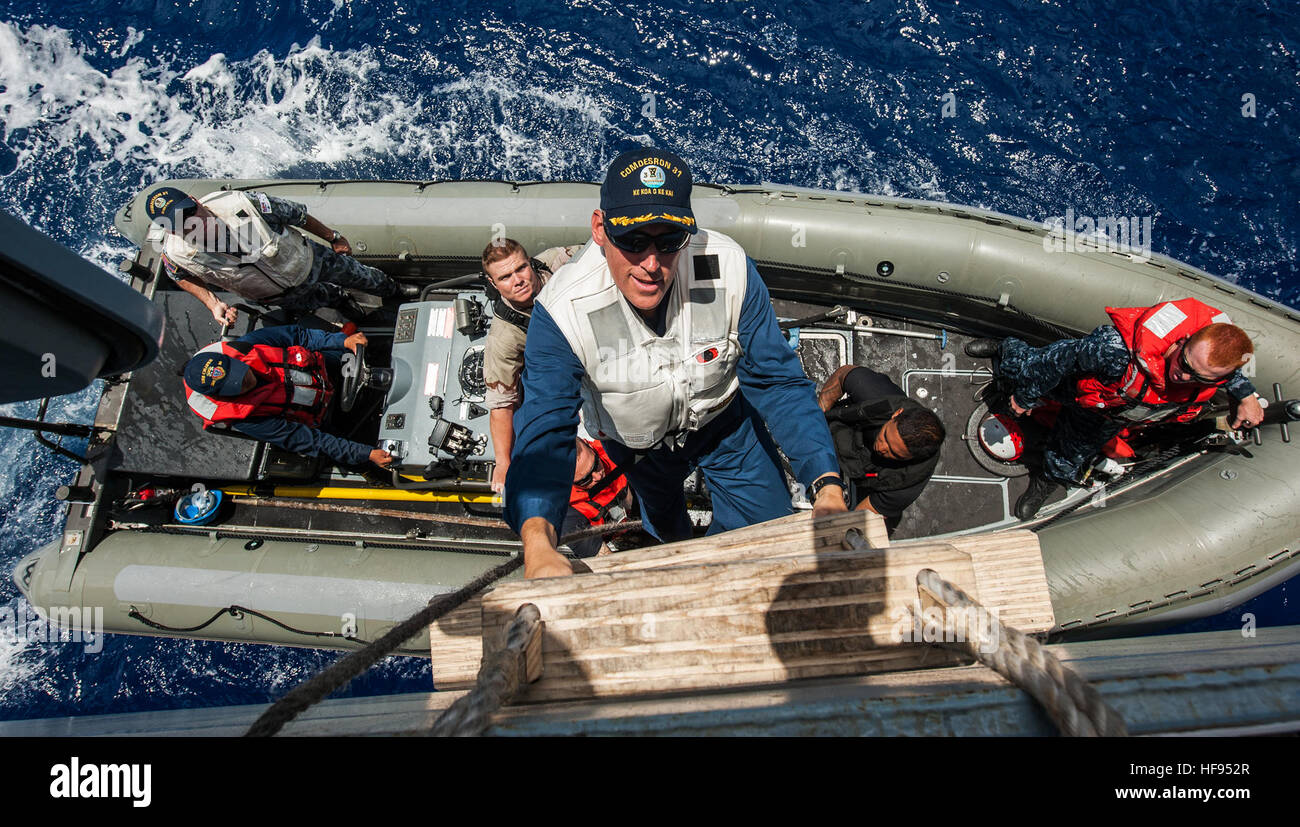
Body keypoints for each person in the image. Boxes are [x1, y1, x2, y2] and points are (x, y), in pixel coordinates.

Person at [504, 147, 847, 579]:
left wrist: (826, 486)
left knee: (768, 529)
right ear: (599, 229)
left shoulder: (731, 268)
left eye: (669, 241)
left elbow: (777, 382)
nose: (651, 264)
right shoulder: (562, 312)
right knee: (667, 528)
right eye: (632, 240)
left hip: (727, 429)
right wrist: (538, 540)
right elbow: (545, 428)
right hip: (637, 447)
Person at [967, 297, 1265, 519]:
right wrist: (1025, 398)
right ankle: (1006, 347)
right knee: (1023, 366)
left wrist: (1246, 395)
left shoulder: (1211, 372)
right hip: (1074, 383)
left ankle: (1046, 481)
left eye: (1197, 377)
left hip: (1105, 412)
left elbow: (1223, 371)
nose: (1182, 376)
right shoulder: (1115, 350)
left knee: (1070, 454)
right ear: (1182, 341)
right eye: (1185, 363)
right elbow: (1056, 361)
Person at [144, 186, 415, 324]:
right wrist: (212, 302)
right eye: (179, 223)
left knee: (361, 276)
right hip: (281, 294)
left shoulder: (240, 204)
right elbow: (178, 275)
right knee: (327, 300)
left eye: (190, 213)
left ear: (197, 201)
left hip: (310, 261)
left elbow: (295, 214)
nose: (192, 223)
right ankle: (346, 305)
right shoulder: (176, 253)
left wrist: (332, 237)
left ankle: (395, 290)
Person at [182, 324, 393, 468]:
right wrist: (366, 454)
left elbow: (301, 336)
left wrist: (343, 341)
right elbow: (308, 440)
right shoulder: (247, 419)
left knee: (377, 341)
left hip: (332, 366)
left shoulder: (251, 344)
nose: (246, 380)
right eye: (236, 386)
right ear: (226, 397)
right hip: (332, 414)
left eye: (240, 373)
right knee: (376, 453)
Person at [481, 238, 583, 492]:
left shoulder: (556, 261)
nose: (517, 280)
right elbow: (501, 404)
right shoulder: (504, 336)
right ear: (493, 284)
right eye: (505, 277)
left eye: (521, 269)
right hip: (568, 365)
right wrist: (503, 463)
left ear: (530, 263)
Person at [817, 365, 945, 535]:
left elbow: (860, 517)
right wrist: (817, 414)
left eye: (894, 453)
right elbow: (844, 374)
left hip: (858, 474)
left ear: (911, 458)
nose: (882, 448)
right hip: (838, 431)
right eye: (885, 436)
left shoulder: (905, 486)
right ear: (896, 414)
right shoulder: (879, 397)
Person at [561, 437, 634, 559]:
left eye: (595, 464)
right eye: (585, 479)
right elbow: (604, 558)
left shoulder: (613, 446)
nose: (598, 476)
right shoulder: (566, 512)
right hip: (611, 543)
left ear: (588, 445)